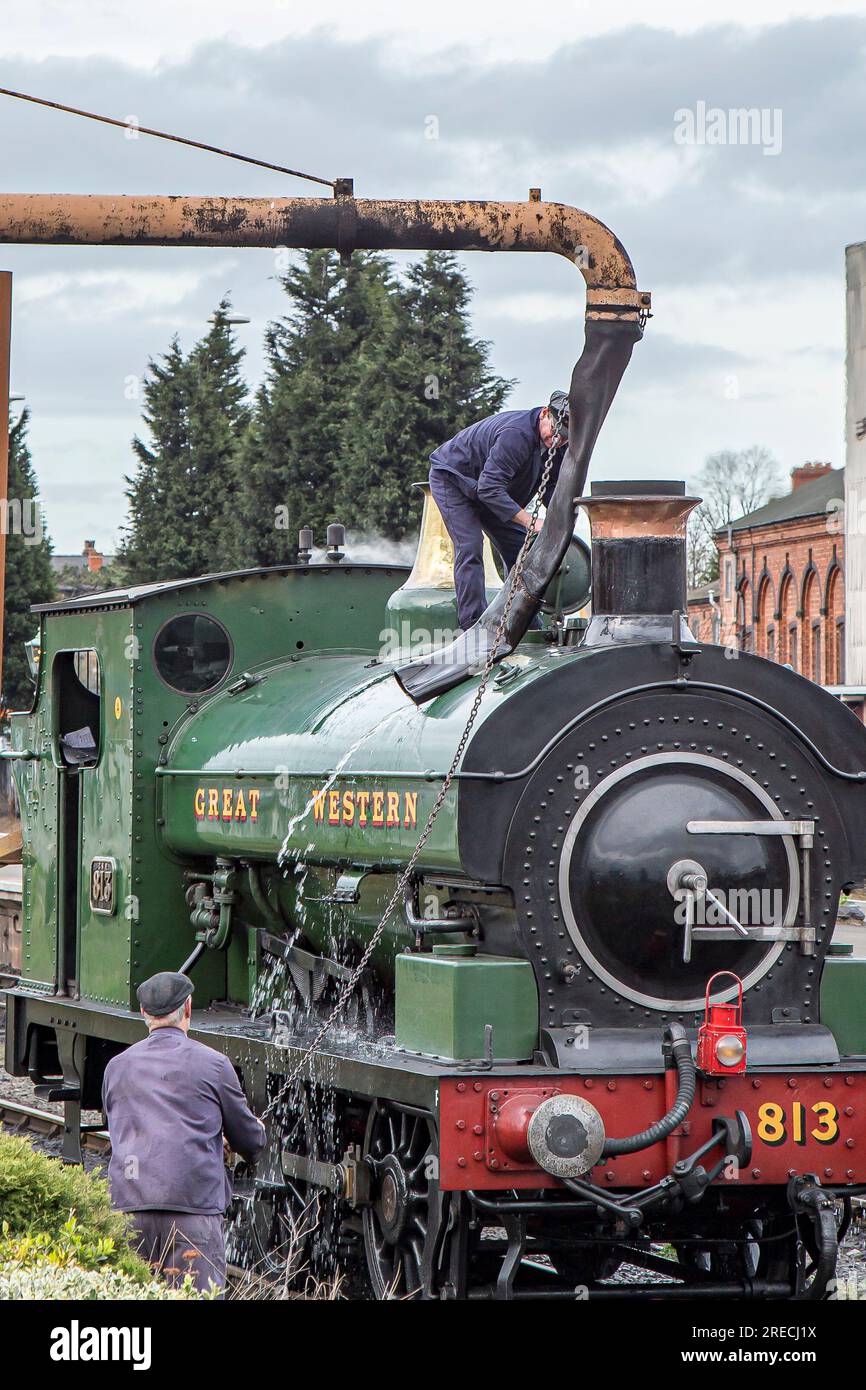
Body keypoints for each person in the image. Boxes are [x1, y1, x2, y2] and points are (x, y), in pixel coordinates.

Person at [102, 971, 266, 1294]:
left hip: (129, 1209)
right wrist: (254, 1133)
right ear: (188, 1009)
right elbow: (251, 1143)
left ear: (143, 1014)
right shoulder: (215, 1066)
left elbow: (117, 1127)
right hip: (193, 1212)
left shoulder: (115, 1068)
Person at [429, 390, 570, 630]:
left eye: (565, 438)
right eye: (555, 433)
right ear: (545, 414)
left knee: (523, 553)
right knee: (470, 546)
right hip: (454, 481)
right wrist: (529, 521)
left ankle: (525, 623)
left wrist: (563, 521)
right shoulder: (515, 435)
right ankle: (472, 625)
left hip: (492, 493)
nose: (557, 441)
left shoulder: (558, 445)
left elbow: (552, 489)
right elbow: (489, 488)